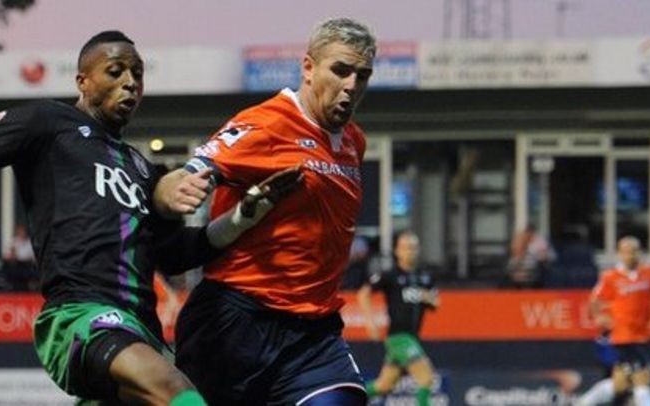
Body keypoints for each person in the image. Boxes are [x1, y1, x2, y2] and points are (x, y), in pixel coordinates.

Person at [0, 30, 300, 405]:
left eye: (138, 75)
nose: (130, 83)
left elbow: (175, 255)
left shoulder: (145, 170)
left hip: (141, 329)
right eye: (116, 71)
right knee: (175, 390)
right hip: (80, 317)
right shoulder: (49, 123)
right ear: (83, 81)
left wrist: (243, 216)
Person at [155, 17, 376, 405]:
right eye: (340, 71)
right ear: (308, 67)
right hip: (236, 322)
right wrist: (175, 188)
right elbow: (197, 168)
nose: (351, 86)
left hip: (313, 334)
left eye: (363, 75)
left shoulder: (354, 142)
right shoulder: (266, 123)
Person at [575, 236, 650, 406]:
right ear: (620, 254)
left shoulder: (648, 274)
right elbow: (594, 300)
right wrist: (600, 317)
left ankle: (583, 402)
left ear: (640, 252)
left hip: (641, 334)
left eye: (634, 251)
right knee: (642, 378)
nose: (631, 255)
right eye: (627, 252)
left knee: (620, 383)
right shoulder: (611, 277)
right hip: (624, 336)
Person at [357, 231, 439, 406]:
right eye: (406, 248)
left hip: (413, 337)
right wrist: (370, 324)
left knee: (383, 385)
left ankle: (345, 399)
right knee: (426, 378)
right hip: (399, 337)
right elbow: (364, 294)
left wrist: (428, 298)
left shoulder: (424, 277)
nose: (411, 251)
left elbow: (435, 303)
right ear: (397, 251)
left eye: (414, 247)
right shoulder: (391, 275)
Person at [4, 223, 37, 291]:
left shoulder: (29, 242)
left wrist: (19, 256)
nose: (22, 233)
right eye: (20, 231)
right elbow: (8, 255)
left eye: (23, 231)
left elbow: (32, 256)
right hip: (15, 265)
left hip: (27, 265)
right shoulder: (14, 241)